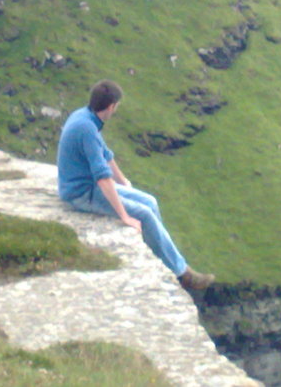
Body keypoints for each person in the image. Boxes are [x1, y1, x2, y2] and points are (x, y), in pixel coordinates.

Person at [57, 79, 215, 291]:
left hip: (86, 185)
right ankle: (183, 274)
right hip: (80, 192)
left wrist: (124, 183)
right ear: (111, 106)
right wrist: (123, 215)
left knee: (150, 201)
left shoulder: (85, 117)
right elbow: (103, 177)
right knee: (144, 213)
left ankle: (161, 255)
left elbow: (106, 155)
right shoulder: (87, 129)